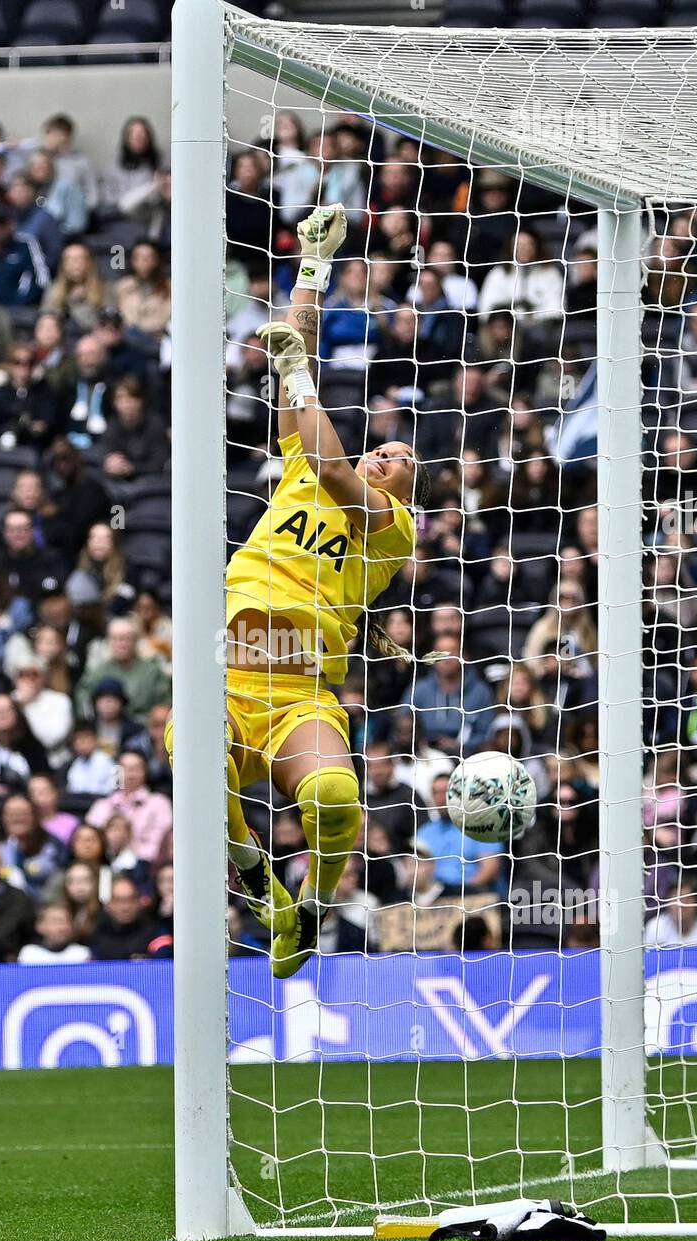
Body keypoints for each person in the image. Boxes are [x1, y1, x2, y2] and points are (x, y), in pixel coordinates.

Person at [168, 204, 430, 979]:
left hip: (301, 691)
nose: (387, 454)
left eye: (402, 455)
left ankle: (308, 909)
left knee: (333, 799)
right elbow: (298, 348)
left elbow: (336, 465)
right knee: (192, 758)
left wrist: (292, 372)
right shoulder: (298, 460)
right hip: (232, 672)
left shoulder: (388, 525)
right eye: (383, 442)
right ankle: (257, 883)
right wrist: (312, 267)